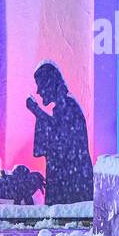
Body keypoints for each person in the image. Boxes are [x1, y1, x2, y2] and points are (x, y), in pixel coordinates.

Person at [26, 62, 93, 204]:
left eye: (40, 85)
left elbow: (61, 136)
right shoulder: (64, 106)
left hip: (71, 184)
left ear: (49, 85)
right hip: (68, 181)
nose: (38, 91)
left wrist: (37, 111)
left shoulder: (68, 106)